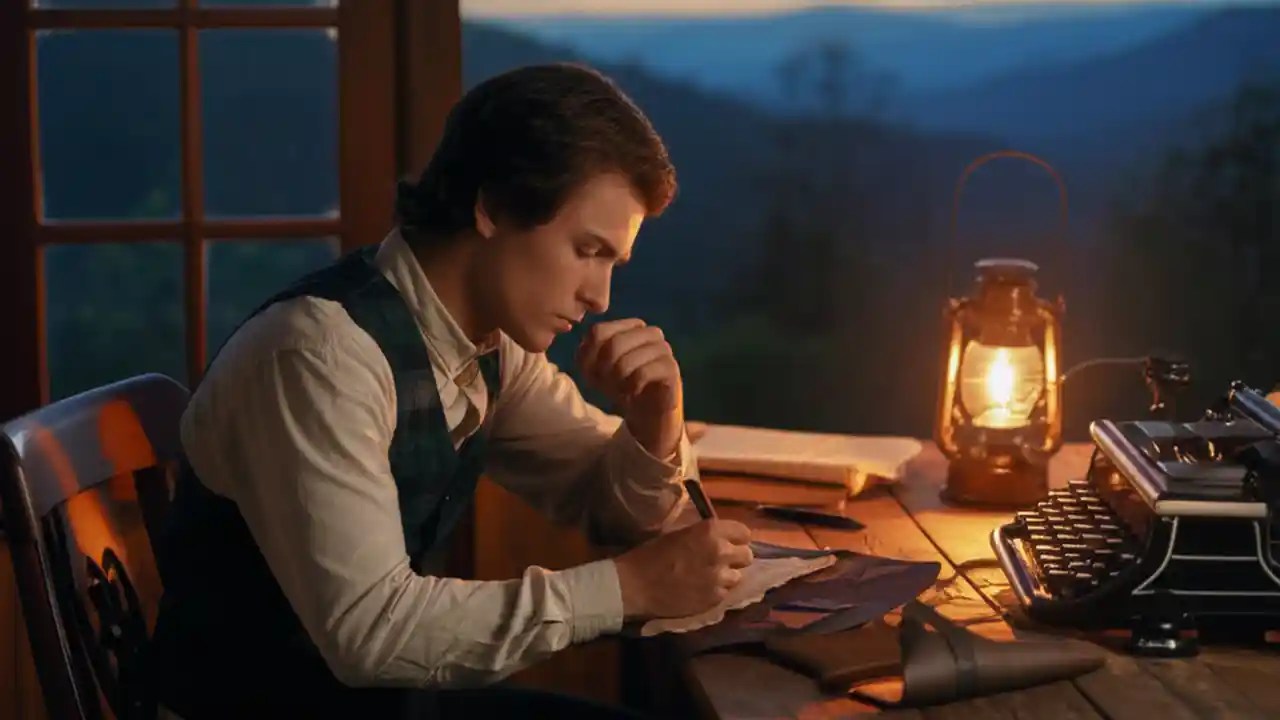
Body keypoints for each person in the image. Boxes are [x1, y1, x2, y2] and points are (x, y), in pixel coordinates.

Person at [146, 62, 755, 719]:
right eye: (587, 250)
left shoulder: (490, 347)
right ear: (493, 207)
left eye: (613, 261)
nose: (599, 297)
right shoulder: (321, 356)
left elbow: (611, 507)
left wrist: (657, 422)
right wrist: (628, 589)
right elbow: (370, 631)